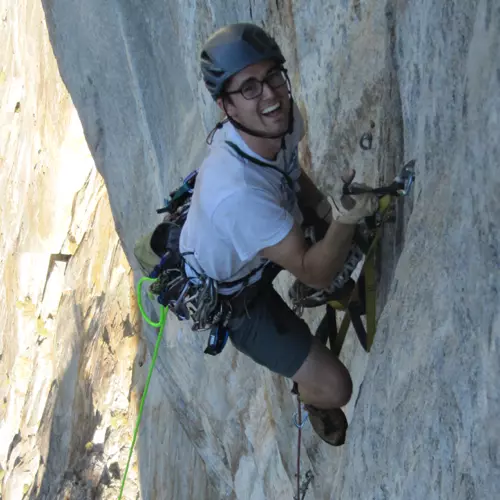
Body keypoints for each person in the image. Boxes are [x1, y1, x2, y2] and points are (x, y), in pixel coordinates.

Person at [165, 23, 378, 446]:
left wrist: (324, 213)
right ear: (227, 106)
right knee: (337, 387)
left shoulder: (283, 122)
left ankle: (331, 269)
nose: (269, 95)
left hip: (258, 245)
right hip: (236, 298)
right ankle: (310, 396)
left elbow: (291, 177)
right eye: (249, 88)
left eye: (273, 77)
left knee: (329, 238)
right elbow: (311, 270)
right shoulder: (237, 193)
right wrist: (344, 221)